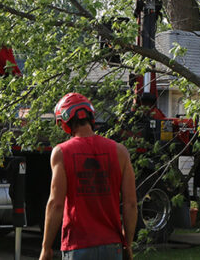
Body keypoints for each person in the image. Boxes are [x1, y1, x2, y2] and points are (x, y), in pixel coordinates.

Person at [40, 93, 137, 260]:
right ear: (91, 117)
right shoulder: (120, 152)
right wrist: (127, 245)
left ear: (65, 122)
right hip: (112, 247)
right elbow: (131, 204)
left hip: (78, 246)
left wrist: (46, 248)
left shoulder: (61, 153)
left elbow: (56, 204)